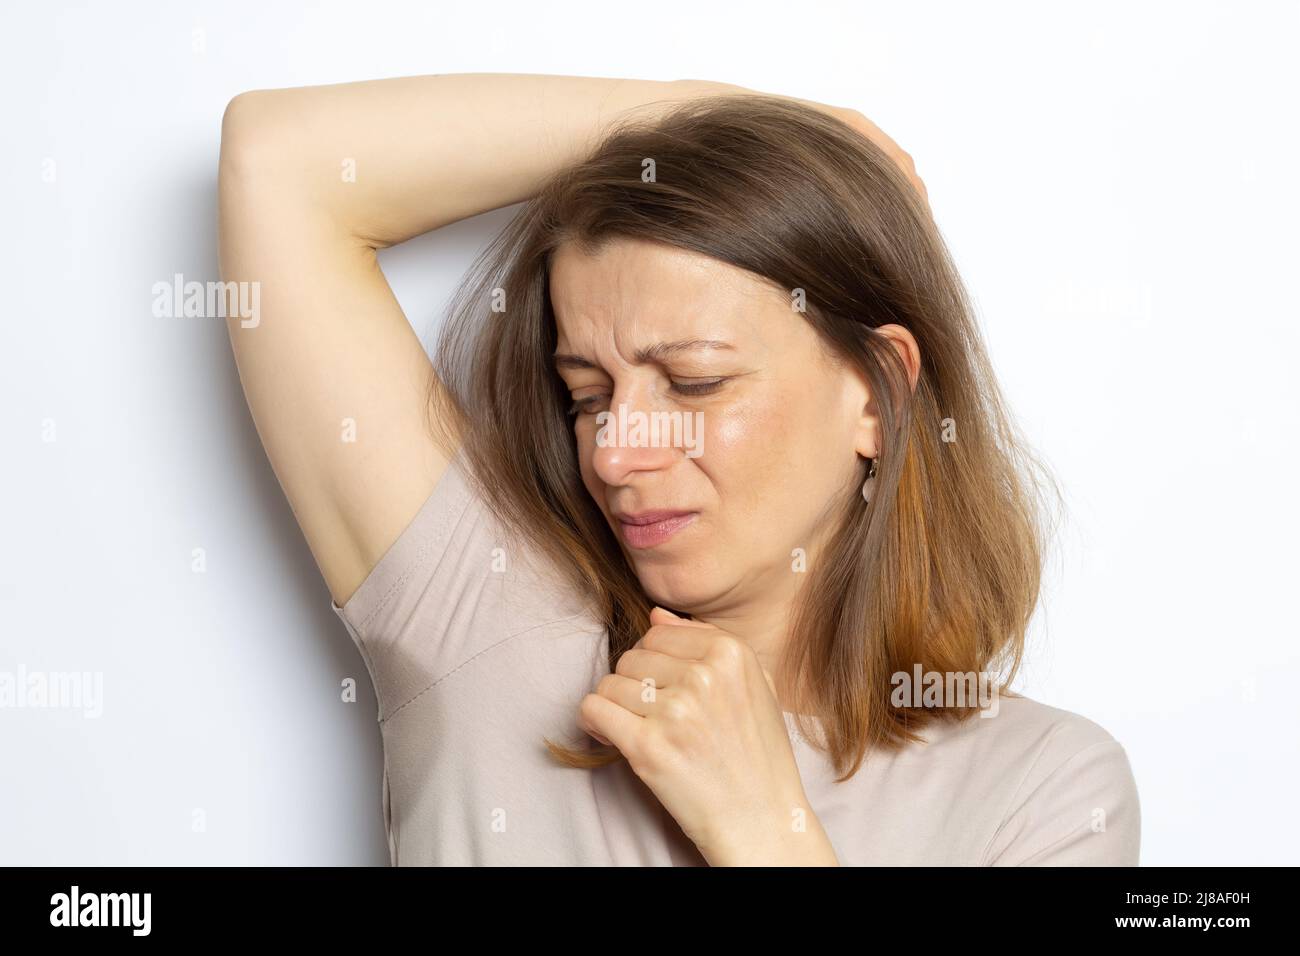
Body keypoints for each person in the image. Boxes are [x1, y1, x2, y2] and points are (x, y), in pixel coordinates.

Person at [217, 73, 1140, 866]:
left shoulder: (1043, 790)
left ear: (878, 393)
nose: (615, 454)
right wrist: (731, 124)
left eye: (695, 383)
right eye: (586, 394)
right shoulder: (492, 631)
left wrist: (766, 832)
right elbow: (280, 168)